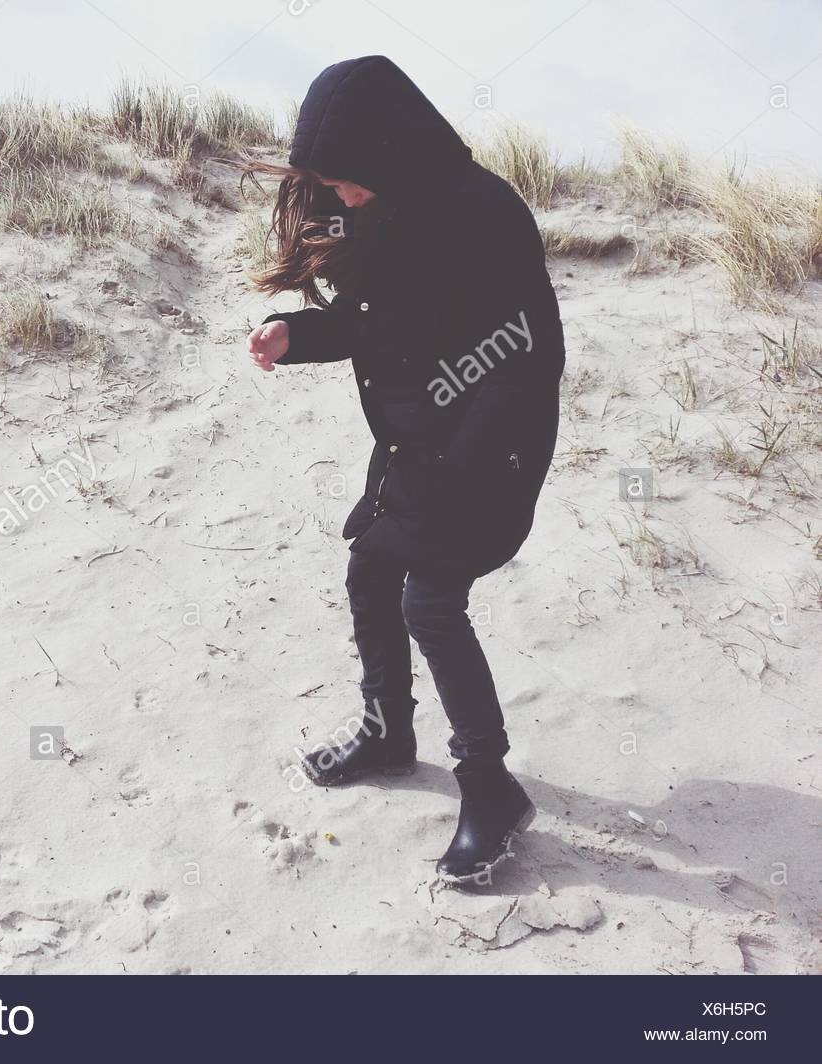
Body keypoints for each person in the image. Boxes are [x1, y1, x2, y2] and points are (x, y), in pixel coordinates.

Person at [242, 55, 564, 883]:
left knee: (431, 598)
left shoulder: (484, 214)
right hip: (415, 451)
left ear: (390, 149)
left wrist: (463, 462)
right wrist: (294, 334)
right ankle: (389, 733)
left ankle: (490, 789)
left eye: (345, 180)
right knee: (370, 568)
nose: (339, 197)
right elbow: (367, 322)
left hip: (493, 454)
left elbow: (530, 356)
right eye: (327, 183)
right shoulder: (385, 211)